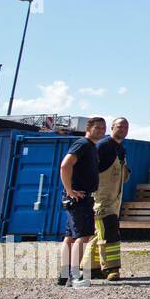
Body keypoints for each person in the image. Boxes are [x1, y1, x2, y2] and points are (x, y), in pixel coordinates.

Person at [58, 117, 105, 288]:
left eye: (103, 128)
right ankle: (74, 276)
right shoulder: (83, 144)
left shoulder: (91, 147)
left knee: (70, 237)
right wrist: (70, 190)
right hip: (80, 198)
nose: (101, 131)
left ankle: (64, 275)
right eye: (97, 128)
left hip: (80, 198)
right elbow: (65, 165)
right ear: (88, 128)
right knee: (83, 236)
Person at [88, 116, 131, 280]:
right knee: (109, 233)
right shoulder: (103, 146)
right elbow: (89, 168)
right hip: (102, 198)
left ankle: (90, 267)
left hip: (115, 199)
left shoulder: (121, 149)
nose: (123, 129)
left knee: (99, 233)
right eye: (120, 126)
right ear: (112, 128)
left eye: (126, 127)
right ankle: (111, 269)